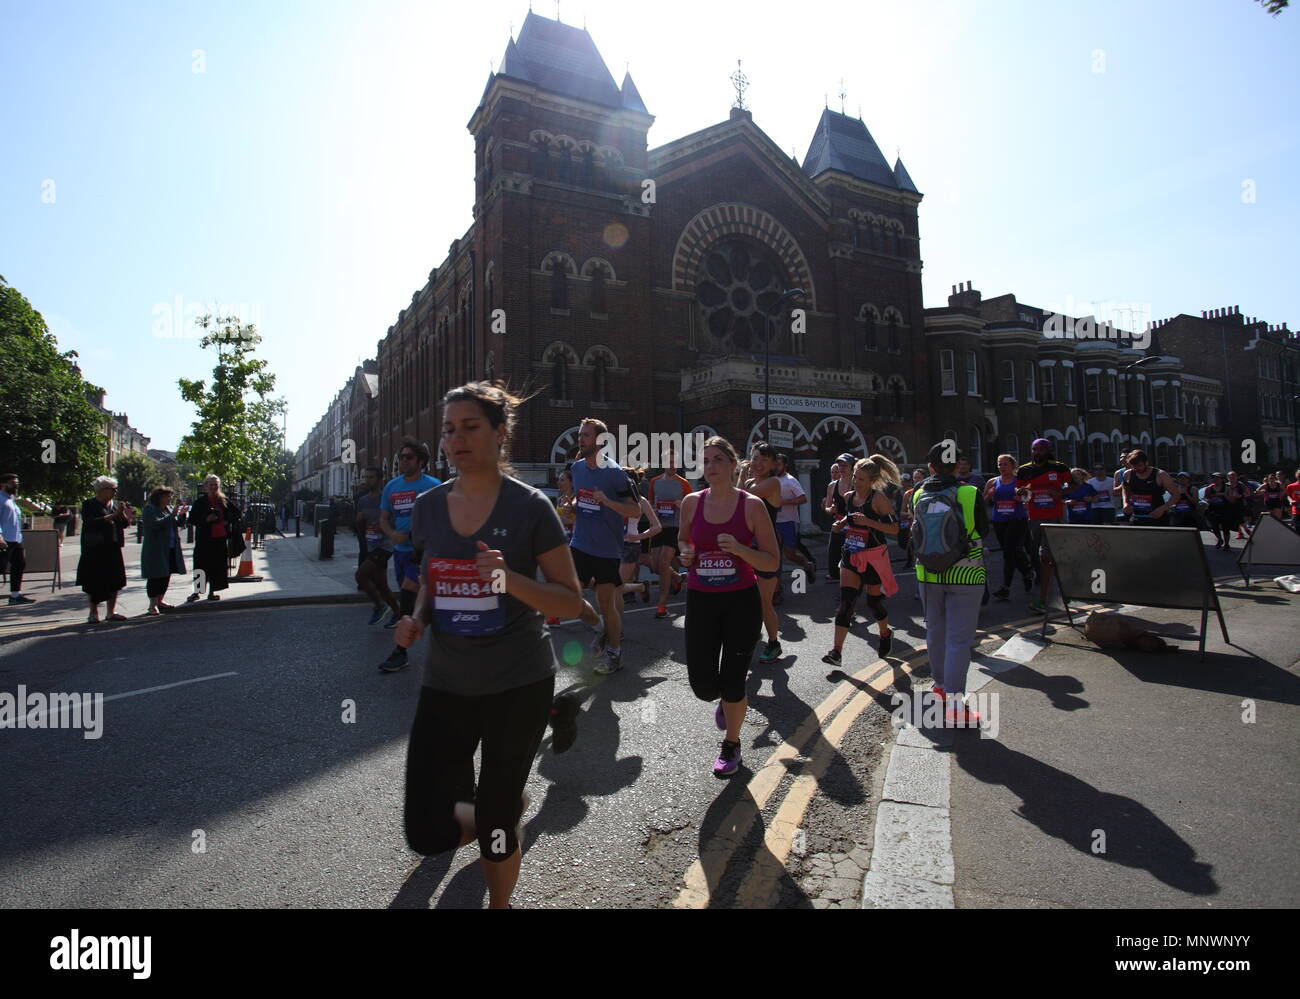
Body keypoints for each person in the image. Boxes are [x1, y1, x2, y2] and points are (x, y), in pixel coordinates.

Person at [393, 381, 592, 910]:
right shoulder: (430, 507)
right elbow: (432, 580)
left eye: (470, 427)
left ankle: (500, 900)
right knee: (427, 832)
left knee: (496, 823)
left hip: (517, 681)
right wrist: (415, 618)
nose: (455, 438)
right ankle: (495, 810)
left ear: (500, 433)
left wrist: (510, 580)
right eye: (448, 429)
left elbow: (570, 601)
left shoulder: (530, 508)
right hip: (446, 682)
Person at [677, 436, 780, 777]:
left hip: (741, 600)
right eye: (706, 461)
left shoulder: (751, 506)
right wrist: (686, 553)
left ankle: (731, 744)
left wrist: (739, 549)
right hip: (702, 598)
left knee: (734, 680)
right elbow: (683, 540)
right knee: (703, 685)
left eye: (718, 459)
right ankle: (723, 701)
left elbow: (771, 560)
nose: (711, 467)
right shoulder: (691, 502)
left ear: (734, 465)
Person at [913, 442, 989, 726]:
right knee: (959, 639)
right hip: (966, 573)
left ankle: (940, 688)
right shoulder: (970, 492)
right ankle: (956, 707)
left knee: (934, 631)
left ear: (931, 466)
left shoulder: (918, 493)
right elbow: (982, 530)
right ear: (959, 466)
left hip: (927, 573)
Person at [569, 418, 642, 675]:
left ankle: (614, 652)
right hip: (579, 543)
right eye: (580, 435)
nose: (581, 439)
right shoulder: (576, 468)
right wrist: (573, 507)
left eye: (586, 435)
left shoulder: (615, 473)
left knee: (605, 601)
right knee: (569, 594)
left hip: (607, 548)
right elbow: (582, 501)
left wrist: (607, 502)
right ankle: (600, 629)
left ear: (600, 441)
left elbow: (636, 509)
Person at [822, 455, 901, 667]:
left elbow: (895, 528)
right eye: (855, 477)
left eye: (861, 480)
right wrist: (841, 524)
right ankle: (836, 652)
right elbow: (850, 516)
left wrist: (869, 522)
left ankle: (884, 633)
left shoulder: (878, 500)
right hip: (851, 553)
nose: (856, 482)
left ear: (872, 481)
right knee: (846, 601)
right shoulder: (848, 496)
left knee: (873, 602)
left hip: (874, 556)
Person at [376, 440, 442, 672]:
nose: (403, 461)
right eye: (401, 457)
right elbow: (383, 518)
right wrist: (392, 534)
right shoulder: (391, 487)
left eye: (409, 457)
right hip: (401, 551)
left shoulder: (433, 486)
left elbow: (446, 517)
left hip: (424, 551)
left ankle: (400, 651)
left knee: (407, 591)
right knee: (413, 596)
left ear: (420, 461)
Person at [1015, 438, 1071, 614]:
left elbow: (1075, 484)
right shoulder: (1024, 470)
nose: (1037, 452)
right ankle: (1060, 589)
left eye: (1040, 449)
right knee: (1040, 557)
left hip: (1054, 517)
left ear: (1047, 450)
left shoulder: (1059, 467)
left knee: (1046, 557)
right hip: (1034, 518)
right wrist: (1021, 494)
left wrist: (1061, 492)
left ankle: (1043, 600)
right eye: (1034, 449)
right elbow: (1019, 495)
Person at [744, 443, 785, 662]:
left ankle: (773, 643)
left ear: (772, 465)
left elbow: (740, 497)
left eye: (764, 460)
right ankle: (747, 638)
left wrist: (740, 473)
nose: (758, 463)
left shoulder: (772, 483)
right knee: (742, 597)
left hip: (766, 548)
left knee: (763, 601)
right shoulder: (751, 481)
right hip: (746, 546)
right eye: (756, 458)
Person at [77, 476, 132, 622]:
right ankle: (93, 613)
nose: (115, 492)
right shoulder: (89, 505)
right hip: (95, 549)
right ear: (102, 490)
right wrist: (114, 515)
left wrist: (123, 514)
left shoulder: (114, 505)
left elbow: (124, 524)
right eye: (113, 489)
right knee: (93, 582)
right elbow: (91, 523)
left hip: (113, 547)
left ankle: (111, 612)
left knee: (115, 580)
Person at [647, 452, 691, 619]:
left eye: (675, 462)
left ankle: (662, 606)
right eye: (669, 462)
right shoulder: (655, 482)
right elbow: (650, 503)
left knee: (664, 562)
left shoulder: (683, 484)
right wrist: (654, 509)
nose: (672, 465)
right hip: (658, 527)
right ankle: (678, 577)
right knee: (656, 566)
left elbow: (692, 507)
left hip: (674, 527)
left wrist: (682, 506)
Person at [355, 467, 400, 626]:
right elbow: (359, 523)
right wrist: (360, 522)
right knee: (382, 585)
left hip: (385, 545)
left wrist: (384, 527)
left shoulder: (387, 499)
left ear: (380, 479)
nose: (368, 480)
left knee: (360, 576)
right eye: (366, 477)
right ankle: (398, 613)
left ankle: (380, 606)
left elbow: (395, 521)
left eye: (371, 477)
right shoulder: (362, 501)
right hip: (371, 545)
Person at [984, 454, 1032, 601]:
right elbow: (982, 501)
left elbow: (1029, 498)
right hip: (999, 520)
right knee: (1009, 551)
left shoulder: (1020, 481)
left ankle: (1006, 588)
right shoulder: (992, 482)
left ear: (1013, 466)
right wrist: (989, 495)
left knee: (1008, 553)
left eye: (1005, 464)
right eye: (1000, 464)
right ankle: (1027, 571)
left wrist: (1021, 498)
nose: (1002, 467)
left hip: (1016, 519)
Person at [188, 474, 241, 602]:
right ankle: (197, 592)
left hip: (220, 538)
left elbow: (237, 514)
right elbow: (192, 519)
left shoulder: (223, 501)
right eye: (211, 485)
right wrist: (206, 519)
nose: (213, 487)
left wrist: (227, 522)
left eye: (215, 485)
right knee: (200, 565)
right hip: (204, 539)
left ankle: (212, 591)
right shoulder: (200, 502)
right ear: (206, 486)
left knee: (217, 566)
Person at [140, 486, 185, 614]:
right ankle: (152, 605)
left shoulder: (168, 510)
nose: (170, 499)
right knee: (155, 576)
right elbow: (155, 524)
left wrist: (181, 516)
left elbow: (177, 524)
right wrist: (172, 516)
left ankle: (160, 600)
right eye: (168, 496)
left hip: (170, 547)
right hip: (156, 549)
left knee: (166, 575)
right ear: (159, 497)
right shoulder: (150, 509)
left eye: (171, 496)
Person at [774, 453, 817, 581]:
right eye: (775, 464)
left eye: (779, 464)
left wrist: (784, 502)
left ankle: (807, 565)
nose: (776, 467)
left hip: (788, 522)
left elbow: (803, 498)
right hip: (773, 522)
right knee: (775, 555)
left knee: (790, 555)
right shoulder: (771, 480)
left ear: (785, 465)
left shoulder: (790, 480)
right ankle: (777, 587)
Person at [1121, 451, 1179, 527]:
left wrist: (1162, 509)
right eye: (1134, 466)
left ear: (1146, 463)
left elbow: (1176, 495)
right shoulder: (1127, 474)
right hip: (1137, 517)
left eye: (1140, 465)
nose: (1137, 469)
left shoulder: (1160, 475)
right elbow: (1125, 489)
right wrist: (1125, 502)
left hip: (1156, 518)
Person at [0, 473, 33, 605]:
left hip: (15, 539)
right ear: (3, 484)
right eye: (13, 483)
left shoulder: (10, 499)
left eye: (17, 483)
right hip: (4, 539)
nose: (16, 486)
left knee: (19, 564)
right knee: (1, 567)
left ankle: (15, 595)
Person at [822, 455, 854, 582]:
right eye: (840, 465)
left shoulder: (858, 484)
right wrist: (831, 510)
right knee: (833, 555)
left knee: (853, 557)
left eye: (845, 465)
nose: (841, 468)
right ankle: (837, 577)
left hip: (855, 526)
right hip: (838, 525)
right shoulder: (832, 486)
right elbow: (827, 507)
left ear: (852, 467)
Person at [1203, 472, 1230, 548]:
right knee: (1214, 526)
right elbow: (1205, 497)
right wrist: (1213, 496)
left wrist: (1224, 495)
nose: (1215, 480)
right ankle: (1219, 539)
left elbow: (1231, 500)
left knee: (1225, 527)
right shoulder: (1209, 488)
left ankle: (1227, 544)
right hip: (1213, 509)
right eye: (1214, 478)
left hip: (1224, 509)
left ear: (1221, 479)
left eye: (1217, 478)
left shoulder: (1227, 487)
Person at [1224, 470, 1250, 541]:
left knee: (1241, 518)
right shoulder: (1226, 485)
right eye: (1229, 476)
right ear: (1227, 477)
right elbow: (1224, 494)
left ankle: (1246, 529)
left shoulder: (1240, 485)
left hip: (1240, 504)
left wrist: (1240, 496)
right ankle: (1240, 533)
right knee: (1235, 519)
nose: (1231, 478)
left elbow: (1248, 493)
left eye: (1233, 476)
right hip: (1230, 504)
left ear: (1236, 477)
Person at [1287, 469, 1300, 535]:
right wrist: (1291, 501)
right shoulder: (1290, 486)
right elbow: (1288, 496)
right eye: (1299, 474)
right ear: (1296, 475)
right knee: (1296, 530)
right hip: (1296, 511)